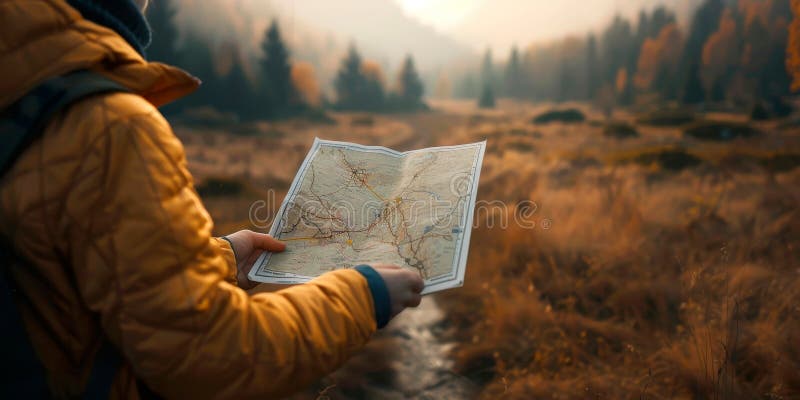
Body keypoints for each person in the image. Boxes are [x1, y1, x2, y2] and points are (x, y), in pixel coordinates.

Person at [0, 0, 424, 398]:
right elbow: (208, 353)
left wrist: (217, 259)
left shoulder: (24, 92)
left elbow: (54, 279)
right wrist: (366, 296)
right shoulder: (109, 126)